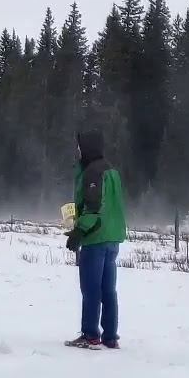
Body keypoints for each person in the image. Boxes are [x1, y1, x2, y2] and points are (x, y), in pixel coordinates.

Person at [64, 129, 128, 350]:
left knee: (91, 290)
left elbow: (93, 208)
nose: (78, 151)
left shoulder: (93, 173)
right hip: (112, 238)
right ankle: (110, 336)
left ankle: (91, 335)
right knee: (108, 290)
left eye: (80, 147)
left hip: (95, 238)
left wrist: (79, 231)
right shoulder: (112, 171)